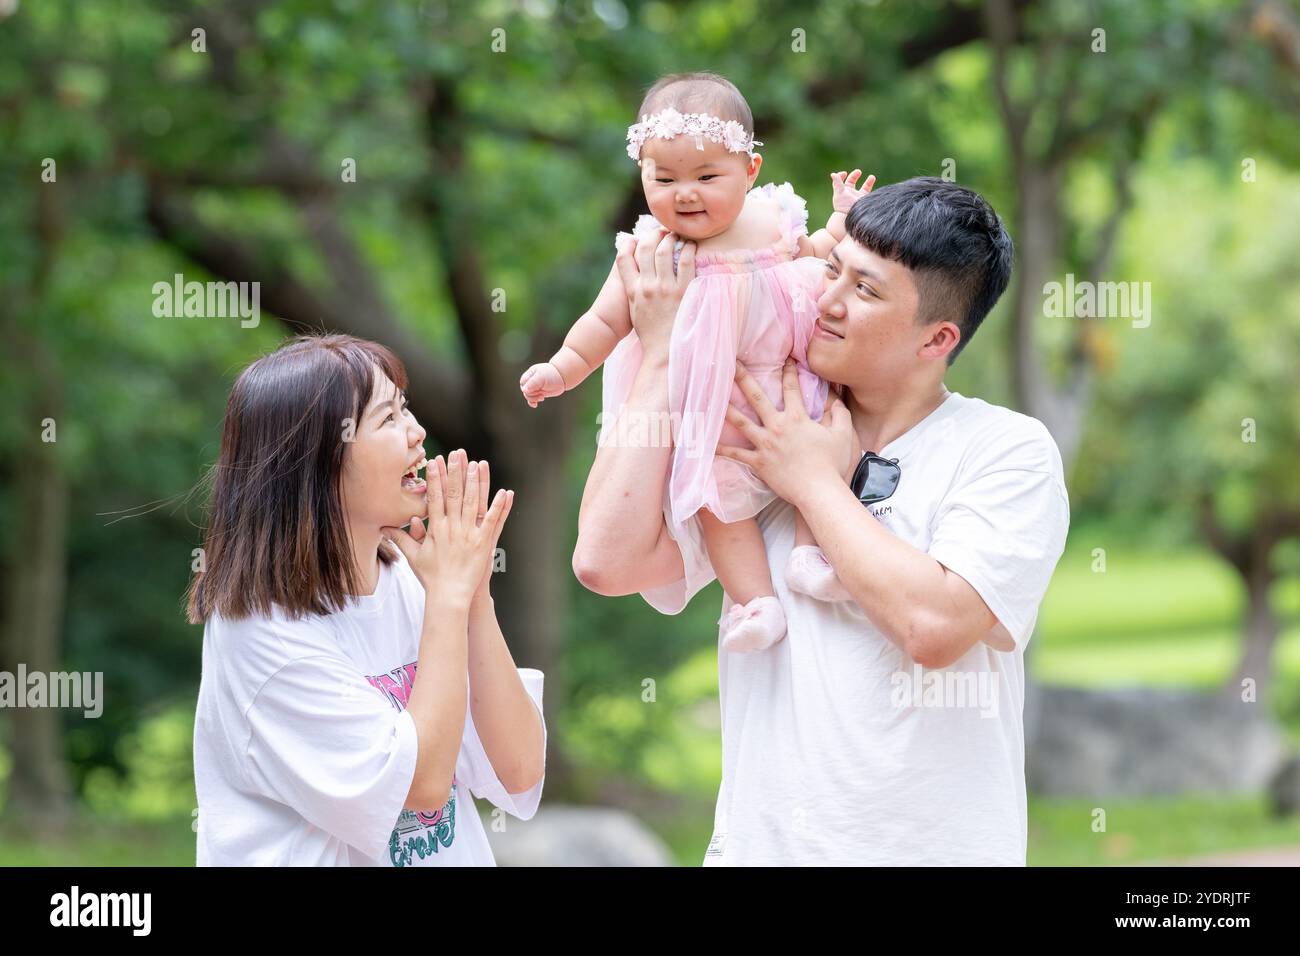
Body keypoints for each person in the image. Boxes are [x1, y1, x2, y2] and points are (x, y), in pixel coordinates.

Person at [574, 177, 1070, 865]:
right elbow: (606, 559)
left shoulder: (1004, 450)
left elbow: (935, 627)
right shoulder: (759, 426)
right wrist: (661, 357)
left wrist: (811, 482)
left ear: (938, 339)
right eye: (830, 270)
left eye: (864, 290)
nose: (825, 300)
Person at [520, 70, 873, 652]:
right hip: (715, 420)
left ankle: (813, 556)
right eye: (664, 178)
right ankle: (756, 604)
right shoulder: (648, 250)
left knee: (828, 454)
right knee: (715, 502)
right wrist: (561, 368)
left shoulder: (773, 218)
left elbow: (815, 253)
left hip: (791, 385)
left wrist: (841, 220)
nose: (685, 193)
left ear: (750, 171)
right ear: (642, 174)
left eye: (707, 177)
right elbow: (604, 322)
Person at [189, 334, 545, 866]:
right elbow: (421, 784)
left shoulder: (412, 580)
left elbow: (518, 764)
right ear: (317, 463)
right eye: (387, 420)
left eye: (406, 409)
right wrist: (448, 600)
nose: (418, 433)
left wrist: (471, 598)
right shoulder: (264, 635)